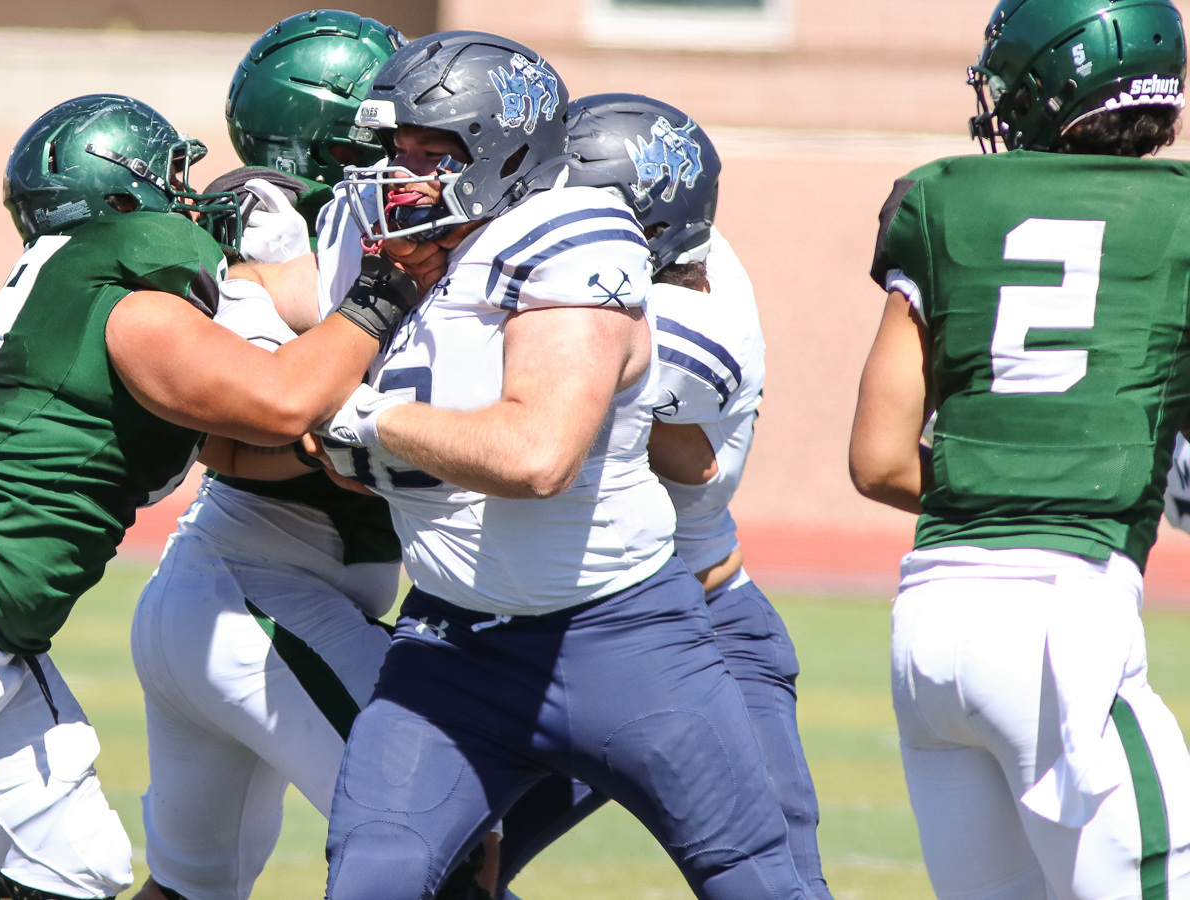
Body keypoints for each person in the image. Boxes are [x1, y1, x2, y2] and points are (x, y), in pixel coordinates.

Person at [0, 93, 417, 900]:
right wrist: (383, 290)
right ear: (123, 201)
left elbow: (241, 443)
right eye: (173, 181)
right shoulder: (134, 286)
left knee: (75, 869)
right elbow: (279, 400)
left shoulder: (103, 292)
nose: (193, 198)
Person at [312, 31, 809, 900]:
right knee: (373, 876)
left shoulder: (580, 237)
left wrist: (370, 417)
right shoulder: (404, 252)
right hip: (452, 643)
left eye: (433, 151)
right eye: (397, 150)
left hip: (628, 637)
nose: (401, 173)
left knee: (762, 881)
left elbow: (539, 455)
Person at [850, 0, 1190, 896]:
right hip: (1063, 620)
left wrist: (997, 479)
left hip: (929, 631)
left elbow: (879, 459)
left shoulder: (938, 195)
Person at [489, 93, 833, 900]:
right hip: (544, 629)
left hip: (699, 623)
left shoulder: (694, 315)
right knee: (451, 869)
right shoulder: (653, 266)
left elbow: (688, 459)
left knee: (778, 877)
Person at [128, 14, 416, 900]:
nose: (418, 155)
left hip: (228, 591)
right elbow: (247, 435)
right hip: (264, 597)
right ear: (336, 140)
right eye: (396, 135)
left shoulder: (353, 226)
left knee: (188, 892)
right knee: (435, 839)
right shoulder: (263, 229)